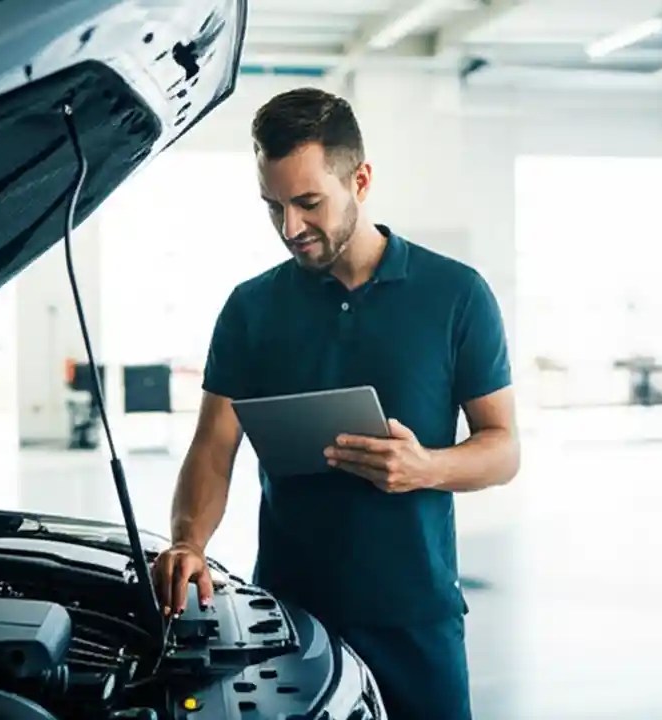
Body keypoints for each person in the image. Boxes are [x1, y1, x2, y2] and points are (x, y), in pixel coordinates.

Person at [150, 87, 520, 719]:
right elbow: (214, 444)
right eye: (273, 207)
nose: (290, 227)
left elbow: (502, 447)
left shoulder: (456, 295)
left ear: (362, 179)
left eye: (308, 203)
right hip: (290, 619)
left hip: (416, 621)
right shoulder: (250, 308)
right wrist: (189, 539)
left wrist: (426, 467)